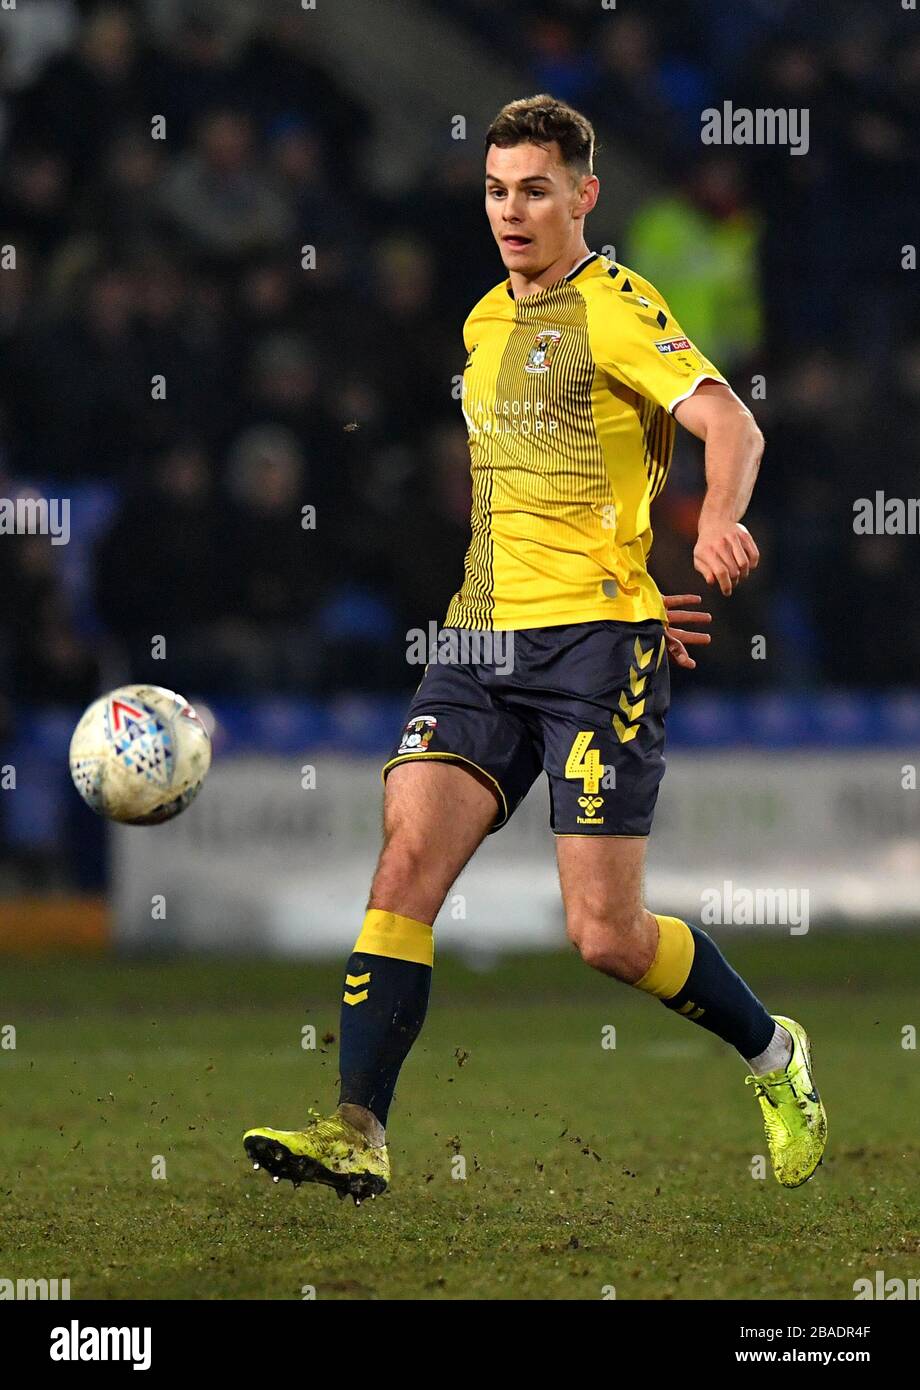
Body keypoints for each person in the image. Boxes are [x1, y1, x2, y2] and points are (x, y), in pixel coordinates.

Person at [244, 95, 826, 1203]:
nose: (511, 212)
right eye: (496, 191)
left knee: (603, 933)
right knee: (405, 863)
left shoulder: (616, 308)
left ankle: (772, 1054)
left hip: (595, 653)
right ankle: (358, 1127)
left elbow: (729, 424)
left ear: (582, 198)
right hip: (476, 639)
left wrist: (705, 524)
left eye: (534, 191)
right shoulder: (477, 321)